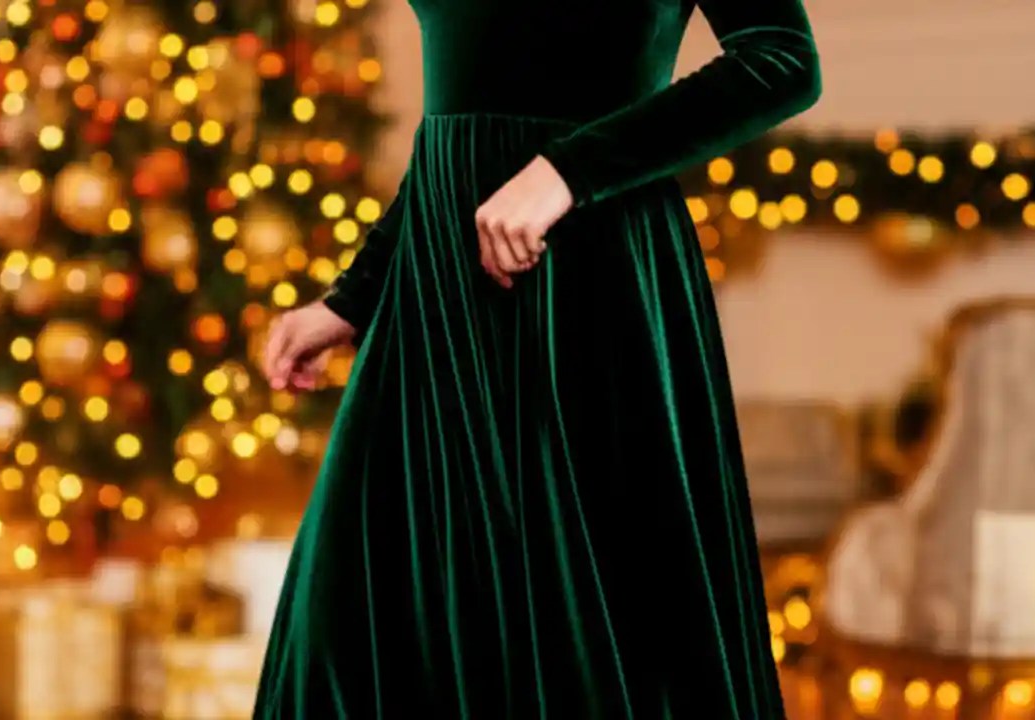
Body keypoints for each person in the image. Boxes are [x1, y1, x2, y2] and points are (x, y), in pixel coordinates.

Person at [256, 0, 820, 715]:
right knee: (356, 629)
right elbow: (459, 123)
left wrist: (568, 171)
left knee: (573, 633)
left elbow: (782, 61)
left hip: (592, 292)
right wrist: (353, 296)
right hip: (437, 300)